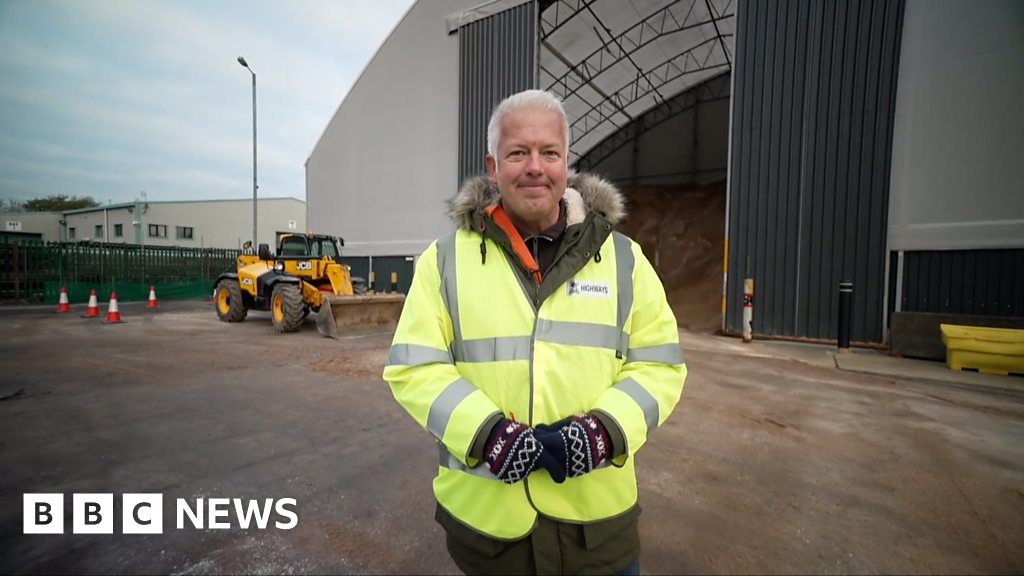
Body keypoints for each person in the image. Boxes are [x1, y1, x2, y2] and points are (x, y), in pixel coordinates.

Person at [383, 89, 687, 575]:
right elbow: (415, 367)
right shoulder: (443, 261)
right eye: (518, 152)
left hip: (599, 537)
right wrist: (487, 434)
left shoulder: (624, 259)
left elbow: (660, 365)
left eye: (549, 152)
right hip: (490, 539)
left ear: (567, 161)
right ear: (493, 165)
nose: (534, 167)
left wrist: (603, 433)